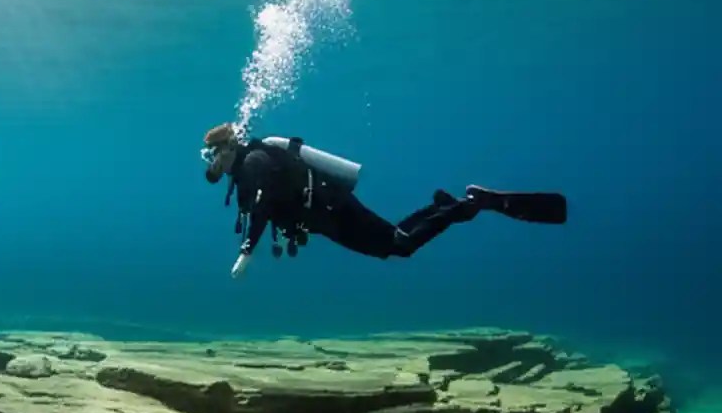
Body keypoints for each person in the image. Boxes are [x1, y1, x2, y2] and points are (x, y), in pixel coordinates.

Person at [200, 123, 567, 278]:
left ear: (227, 147)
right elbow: (265, 203)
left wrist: (247, 251)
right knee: (394, 243)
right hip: (327, 218)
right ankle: (449, 207)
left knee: (401, 246)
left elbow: (264, 203)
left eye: (211, 154)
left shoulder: (254, 161)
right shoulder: (246, 171)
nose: (211, 163)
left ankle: (470, 204)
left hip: (334, 210)